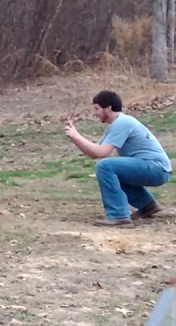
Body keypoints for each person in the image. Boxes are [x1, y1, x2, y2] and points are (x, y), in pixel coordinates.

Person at [65, 90, 172, 226]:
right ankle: (147, 205)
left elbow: (101, 153)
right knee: (109, 168)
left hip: (157, 169)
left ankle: (119, 216)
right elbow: (94, 153)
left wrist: (76, 136)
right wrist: (75, 137)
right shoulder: (118, 124)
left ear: (108, 108)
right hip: (157, 169)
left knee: (105, 166)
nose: (95, 113)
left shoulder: (122, 123)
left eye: (97, 109)